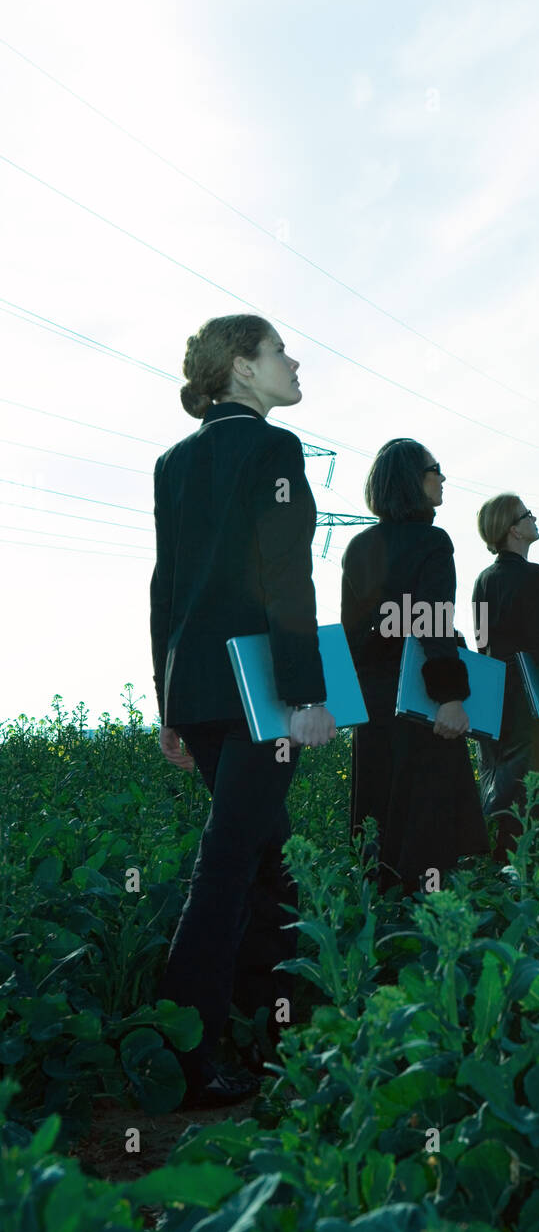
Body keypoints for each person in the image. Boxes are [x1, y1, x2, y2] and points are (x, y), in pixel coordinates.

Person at [150, 312, 336, 1108]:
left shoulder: (172, 462)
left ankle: (278, 1031)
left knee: (267, 856)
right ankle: (180, 1058)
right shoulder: (274, 448)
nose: (296, 364)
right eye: (280, 353)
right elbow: (285, 572)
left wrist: (167, 704)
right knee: (229, 865)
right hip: (259, 691)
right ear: (241, 368)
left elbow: (166, 587)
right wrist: (305, 693)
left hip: (195, 690)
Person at [340, 439, 489, 896]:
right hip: (419, 700)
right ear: (412, 479)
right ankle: (427, 944)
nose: (442, 478)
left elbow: (351, 636)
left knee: (379, 824)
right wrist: (450, 697)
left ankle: (378, 937)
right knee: (429, 830)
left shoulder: (359, 546)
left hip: (373, 703)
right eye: (435, 469)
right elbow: (432, 620)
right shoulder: (432, 541)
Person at [471, 494, 539, 863]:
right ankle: (528, 883)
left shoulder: (483, 580)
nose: (535, 518)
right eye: (527, 515)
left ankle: (493, 872)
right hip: (527, 699)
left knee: (495, 789)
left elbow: (482, 643)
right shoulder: (537, 577)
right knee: (531, 795)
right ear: (514, 529)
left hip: (491, 699)